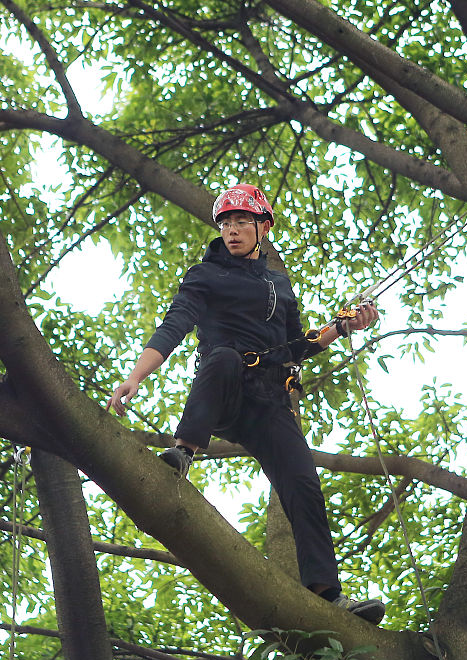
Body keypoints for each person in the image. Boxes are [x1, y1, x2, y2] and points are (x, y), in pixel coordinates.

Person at [107, 184, 386, 624]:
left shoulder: (280, 284)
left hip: (271, 401)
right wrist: (135, 377)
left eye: (240, 222)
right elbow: (175, 324)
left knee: (303, 485)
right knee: (222, 356)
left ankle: (327, 594)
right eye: (225, 223)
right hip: (227, 387)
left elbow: (300, 345)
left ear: (262, 228)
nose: (231, 230)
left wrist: (343, 325)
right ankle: (184, 451)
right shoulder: (207, 274)